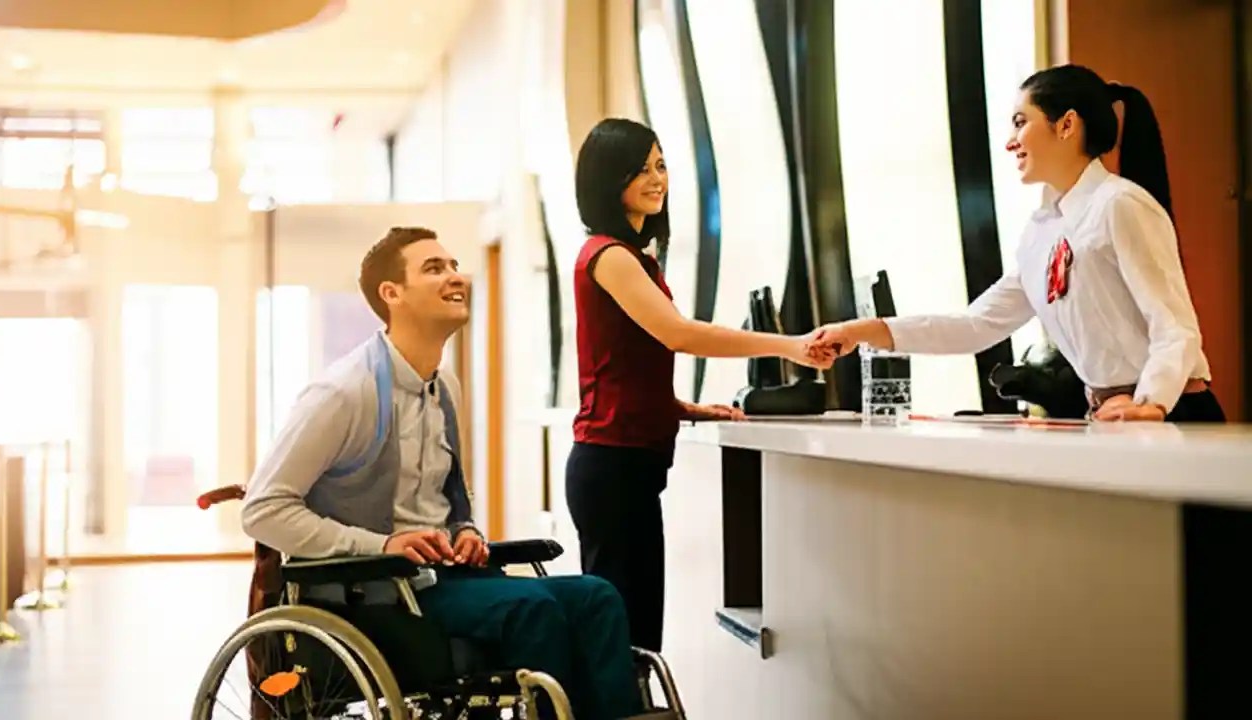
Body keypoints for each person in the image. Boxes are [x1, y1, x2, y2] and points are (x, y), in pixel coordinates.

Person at [242, 227, 645, 720]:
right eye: (435, 268)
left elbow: (446, 494)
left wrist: (465, 530)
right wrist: (381, 545)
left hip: (444, 578)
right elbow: (264, 509)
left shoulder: (443, 386)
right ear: (392, 294)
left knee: (597, 596)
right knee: (532, 608)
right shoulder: (344, 393)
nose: (456, 277)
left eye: (454, 265)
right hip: (378, 592)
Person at [810, 65, 1224, 424]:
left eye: (1020, 121)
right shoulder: (1040, 232)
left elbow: (1175, 326)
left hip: (1170, 414)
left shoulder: (1121, 205)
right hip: (1116, 418)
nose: (1010, 141)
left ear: (1066, 125)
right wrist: (866, 330)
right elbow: (976, 327)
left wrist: (1151, 403)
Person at [566, 118, 832, 653]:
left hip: (627, 463)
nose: (656, 178)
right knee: (622, 635)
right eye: (639, 169)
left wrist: (682, 408)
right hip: (611, 465)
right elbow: (678, 334)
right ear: (606, 179)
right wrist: (787, 345)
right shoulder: (609, 255)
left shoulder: (631, 257)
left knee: (636, 632)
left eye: (660, 165)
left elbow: (620, 365)